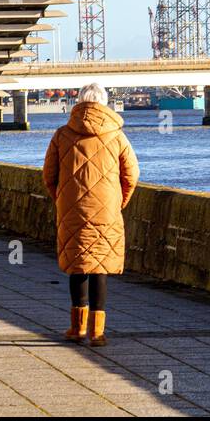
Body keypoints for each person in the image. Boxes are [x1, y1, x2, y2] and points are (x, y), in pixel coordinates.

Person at [43, 83, 138, 347]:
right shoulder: (117, 137)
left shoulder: (62, 134)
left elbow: (48, 176)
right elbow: (131, 175)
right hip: (107, 207)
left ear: (80, 101)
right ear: (104, 103)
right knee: (100, 266)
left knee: (78, 266)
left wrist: (63, 200)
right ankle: (97, 332)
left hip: (72, 206)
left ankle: (76, 328)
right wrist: (118, 202)